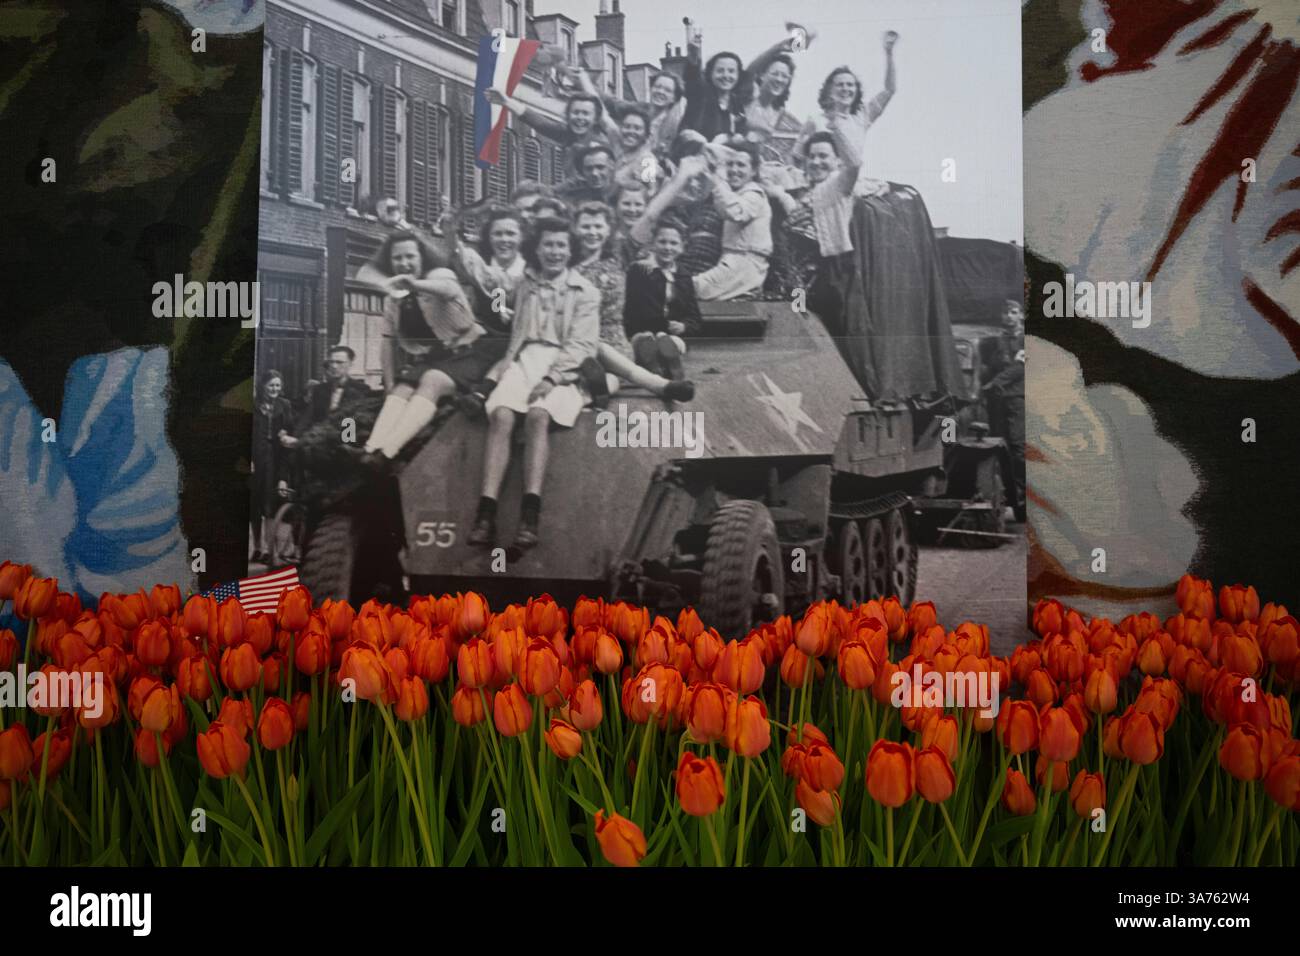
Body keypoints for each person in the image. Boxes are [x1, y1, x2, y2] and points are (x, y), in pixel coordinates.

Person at [463, 217, 600, 550]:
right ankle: (486, 512)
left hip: (565, 368)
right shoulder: (525, 284)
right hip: (523, 362)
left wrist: (553, 378)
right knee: (502, 416)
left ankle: (530, 514)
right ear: (536, 249)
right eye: (548, 245)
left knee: (539, 417)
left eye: (561, 246)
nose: (554, 252)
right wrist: (457, 241)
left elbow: (581, 346)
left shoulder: (586, 292)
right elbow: (487, 282)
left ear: (571, 251)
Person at [360, 231, 494, 469]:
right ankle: (370, 449)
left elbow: (448, 290)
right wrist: (389, 385)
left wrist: (415, 284)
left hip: (471, 353)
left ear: (422, 257)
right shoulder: (395, 298)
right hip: (434, 358)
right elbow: (387, 342)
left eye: (410, 256)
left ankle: (388, 453)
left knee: (432, 380)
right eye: (397, 258)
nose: (404, 263)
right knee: (401, 389)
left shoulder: (440, 275)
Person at [571, 202, 696, 406]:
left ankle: (593, 392)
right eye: (586, 227)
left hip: (613, 340)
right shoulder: (564, 261)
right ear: (575, 229)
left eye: (598, 226)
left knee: (607, 366)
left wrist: (681, 177)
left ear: (609, 229)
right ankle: (654, 385)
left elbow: (649, 216)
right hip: (578, 340)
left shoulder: (619, 256)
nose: (592, 232)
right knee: (607, 374)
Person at [635, 139, 772, 300]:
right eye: (730, 164)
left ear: (754, 171)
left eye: (741, 165)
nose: (734, 170)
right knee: (689, 287)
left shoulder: (754, 193)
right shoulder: (731, 193)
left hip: (744, 262)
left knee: (689, 289)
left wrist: (718, 179)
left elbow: (735, 212)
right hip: (733, 260)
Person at [763, 123, 863, 310]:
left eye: (823, 156)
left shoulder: (839, 186)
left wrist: (837, 128)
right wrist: (780, 194)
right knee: (796, 316)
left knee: (811, 319)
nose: (816, 162)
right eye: (812, 156)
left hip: (823, 267)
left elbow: (855, 163)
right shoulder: (804, 190)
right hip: (795, 267)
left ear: (837, 161)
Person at [797, 31, 897, 178]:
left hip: (849, 184)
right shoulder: (815, 121)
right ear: (830, 90)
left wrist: (889, 52)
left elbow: (889, 90)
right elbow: (796, 156)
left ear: (856, 91)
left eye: (850, 85)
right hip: (822, 184)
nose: (845, 89)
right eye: (840, 85)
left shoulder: (862, 117)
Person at [624, 218, 702, 382]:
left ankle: (669, 365)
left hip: (669, 334)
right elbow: (633, 310)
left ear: (682, 247)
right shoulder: (640, 270)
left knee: (672, 343)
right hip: (641, 332)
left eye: (673, 243)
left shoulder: (683, 275)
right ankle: (654, 365)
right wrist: (652, 330)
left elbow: (695, 317)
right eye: (662, 242)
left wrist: (684, 326)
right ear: (652, 244)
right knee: (645, 342)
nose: (668, 247)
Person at [486, 87, 611, 177]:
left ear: (595, 119)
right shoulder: (567, 134)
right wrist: (506, 102)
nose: (579, 118)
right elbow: (539, 122)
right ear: (568, 115)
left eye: (585, 114)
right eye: (575, 113)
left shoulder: (602, 144)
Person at [282, 345, 371, 445]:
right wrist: (295, 437)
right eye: (331, 362)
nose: (334, 366)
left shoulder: (361, 390)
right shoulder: (319, 390)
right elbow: (307, 417)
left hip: (346, 445)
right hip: (319, 444)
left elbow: (356, 423)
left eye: (339, 362)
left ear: (350, 364)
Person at [250, 369, 294, 564]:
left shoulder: (285, 406)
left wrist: (283, 475)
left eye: (278, 385)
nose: (275, 389)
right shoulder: (253, 404)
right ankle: (257, 548)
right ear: (263, 386)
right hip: (254, 461)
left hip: (275, 462)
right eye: (271, 385)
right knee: (253, 506)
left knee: (269, 506)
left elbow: (288, 439)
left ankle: (270, 550)